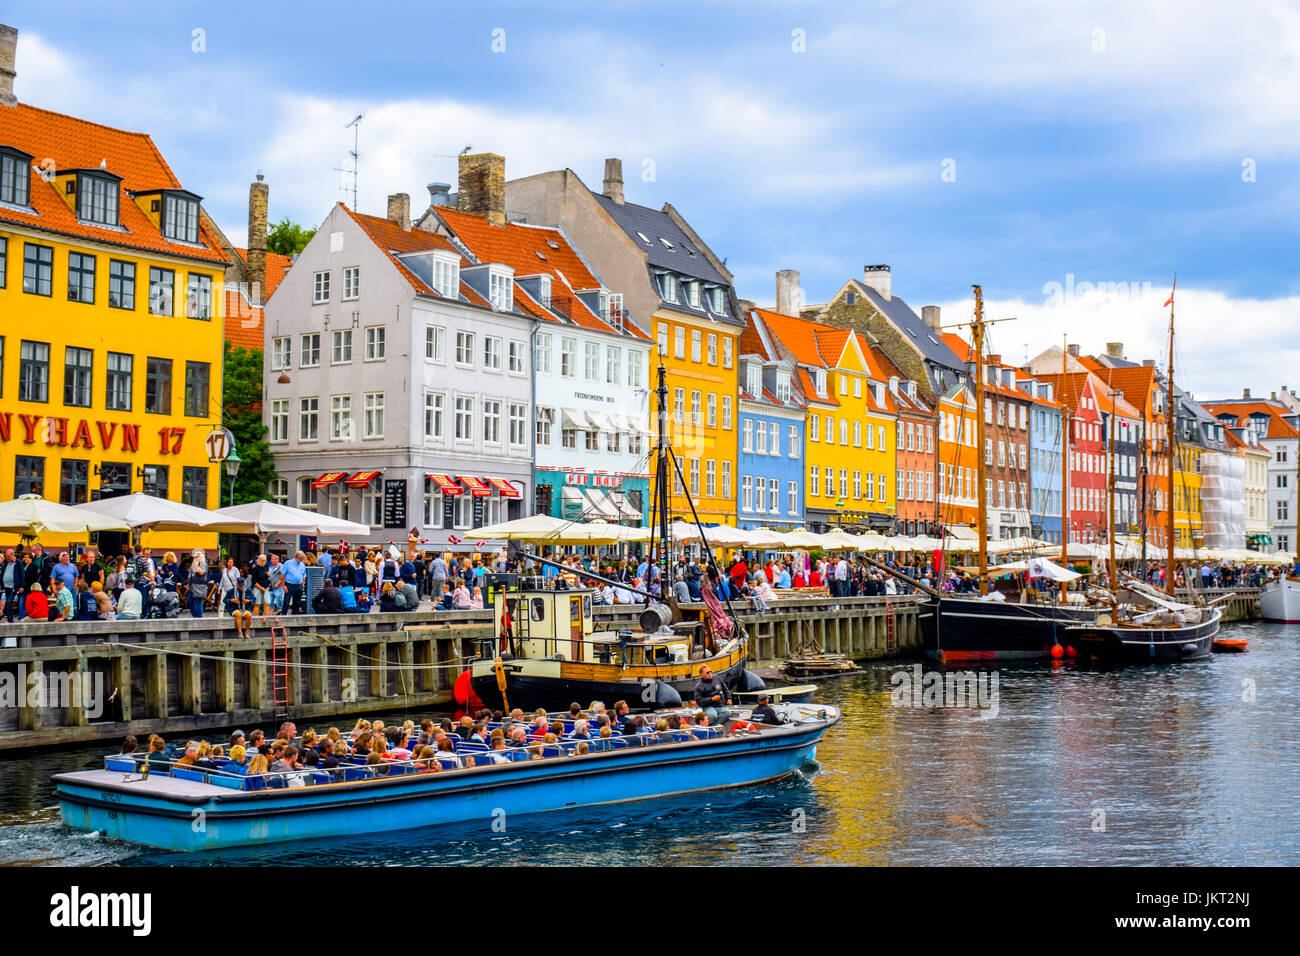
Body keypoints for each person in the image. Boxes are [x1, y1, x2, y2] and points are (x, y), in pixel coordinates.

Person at [187, 550, 208, 617]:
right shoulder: (193, 565)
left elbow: (201, 572)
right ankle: (194, 617)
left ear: (202, 557)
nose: (197, 558)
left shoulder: (203, 565)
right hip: (192, 586)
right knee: (190, 601)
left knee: (197, 603)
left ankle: (199, 618)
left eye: (198, 556)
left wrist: (196, 565)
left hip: (199, 587)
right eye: (196, 557)